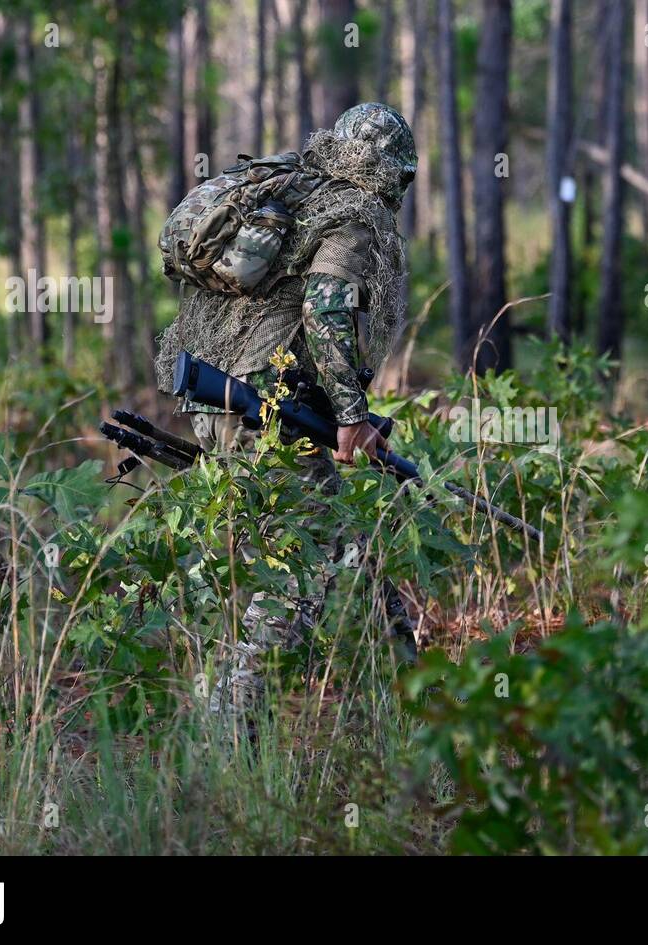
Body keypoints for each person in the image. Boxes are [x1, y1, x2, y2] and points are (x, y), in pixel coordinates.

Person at [154, 103, 419, 715]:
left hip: (219, 393)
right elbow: (325, 314)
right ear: (390, 170)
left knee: (339, 535)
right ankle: (230, 715)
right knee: (303, 559)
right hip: (262, 406)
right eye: (402, 175)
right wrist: (351, 415)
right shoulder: (352, 216)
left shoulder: (295, 192)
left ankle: (414, 690)